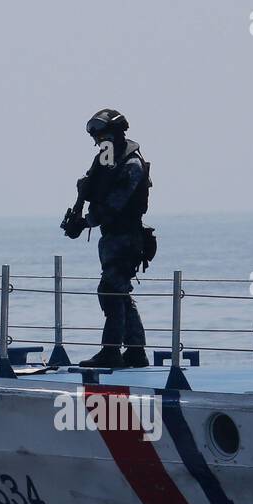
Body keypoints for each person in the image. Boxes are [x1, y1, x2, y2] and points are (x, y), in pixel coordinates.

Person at [62, 109, 153, 369]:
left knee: (111, 292)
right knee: (120, 294)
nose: (98, 143)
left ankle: (111, 351)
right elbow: (97, 188)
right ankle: (135, 351)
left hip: (127, 238)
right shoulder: (106, 161)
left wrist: (86, 222)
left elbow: (115, 204)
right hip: (113, 238)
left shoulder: (131, 165)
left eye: (101, 136)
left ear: (115, 134)